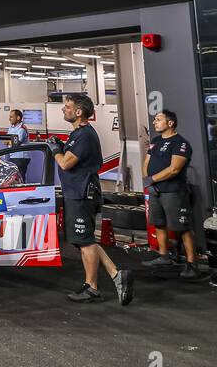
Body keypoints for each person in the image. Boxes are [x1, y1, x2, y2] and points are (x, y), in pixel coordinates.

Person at [49, 93, 134, 305]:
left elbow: (66, 164)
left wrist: (55, 151)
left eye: (67, 106)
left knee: (85, 241)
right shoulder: (77, 134)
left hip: (82, 194)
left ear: (78, 112)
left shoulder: (85, 135)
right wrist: (61, 146)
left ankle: (92, 288)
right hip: (76, 193)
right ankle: (116, 274)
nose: (63, 109)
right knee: (84, 240)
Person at [141, 110, 199, 277]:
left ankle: (191, 263)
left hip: (174, 192)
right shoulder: (156, 141)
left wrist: (152, 180)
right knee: (158, 223)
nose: (154, 122)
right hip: (155, 192)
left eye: (158, 120)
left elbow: (174, 169)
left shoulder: (180, 143)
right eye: (154, 120)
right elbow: (147, 161)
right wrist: (147, 180)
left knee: (183, 228)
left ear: (170, 123)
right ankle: (163, 256)